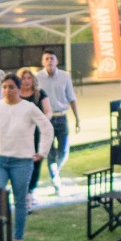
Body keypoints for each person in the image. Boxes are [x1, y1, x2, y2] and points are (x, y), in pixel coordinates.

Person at [0, 74, 53, 241]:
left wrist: (42, 152)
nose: (7, 90)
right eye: (4, 87)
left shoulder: (29, 108)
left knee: (20, 201)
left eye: (11, 87)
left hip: (22, 161)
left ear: (19, 89)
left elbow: (46, 128)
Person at [36, 51, 81, 193]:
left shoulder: (64, 76)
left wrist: (78, 119)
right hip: (46, 119)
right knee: (50, 152)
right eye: (46, 59)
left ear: (57, 61)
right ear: (43, 62)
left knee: (63, 151)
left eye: (52, 58)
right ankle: (56, 181)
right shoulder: (37, 78)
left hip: (62, 117)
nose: (49, 61)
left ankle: (56, 168)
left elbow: (71, 98)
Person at [17, 67, 52, 207]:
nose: (26, 81)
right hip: (21, 134)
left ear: (33, 80)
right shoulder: (16, 94)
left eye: (29, 78)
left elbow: (48, 111)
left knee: (36, 162)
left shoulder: (39, 94)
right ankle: (24, 192)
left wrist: (41, 121)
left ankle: (30, 191)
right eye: (23, 79)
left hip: (37, 132)